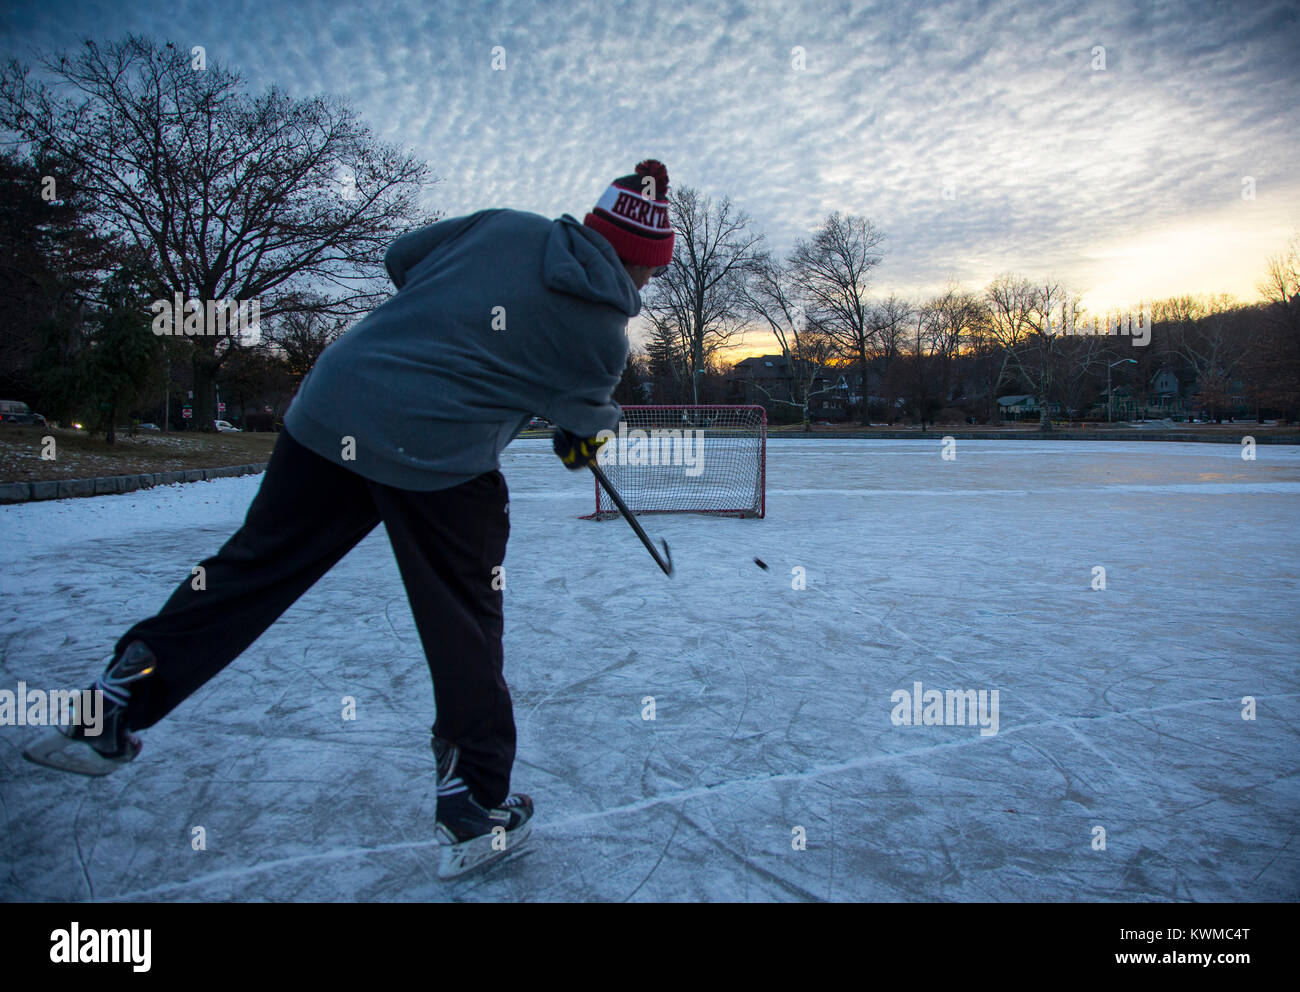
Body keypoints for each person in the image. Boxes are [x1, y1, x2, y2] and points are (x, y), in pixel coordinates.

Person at [25, 159, 676, 878]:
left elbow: (402, 257)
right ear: (640, 265)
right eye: (650, 273)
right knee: (463, 624)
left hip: (334, 404)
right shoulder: (603, 337)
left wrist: (440, 323)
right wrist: (575, 433)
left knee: (250, 569)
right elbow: (582, 430)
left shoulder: (507, 227)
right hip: (438, 461)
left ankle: (113, 706)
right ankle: (472, 808)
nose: (647, 286)